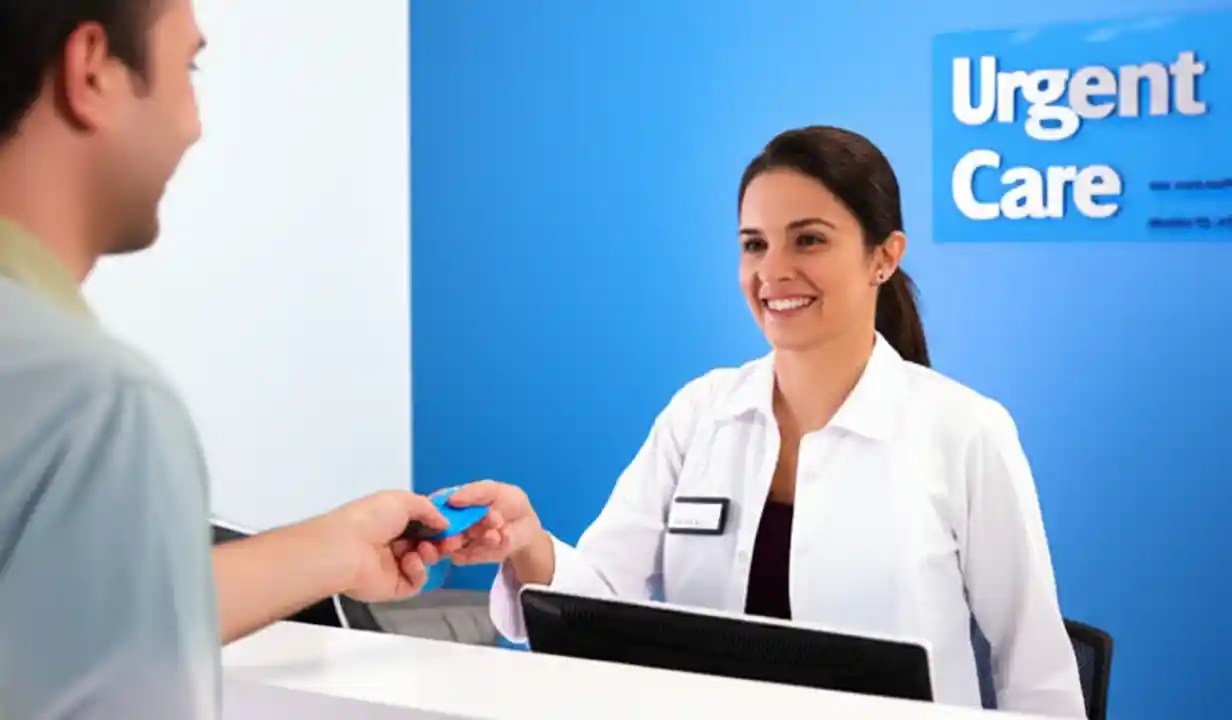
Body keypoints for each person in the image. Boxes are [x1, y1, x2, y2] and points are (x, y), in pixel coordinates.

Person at [440, 126, 1088, 717]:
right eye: (754, 244)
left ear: (883, 257)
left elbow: (1034, 670)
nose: (773, 271)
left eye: (808, 239)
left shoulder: (963, 430)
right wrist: (527, 541)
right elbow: (601, 594)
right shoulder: (700, 414)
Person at [0, 1, 460, 717]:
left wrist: (333, 549)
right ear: (91, 70)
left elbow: (65, 615)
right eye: (189, 68)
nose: (195, 123)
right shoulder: (96, 405)